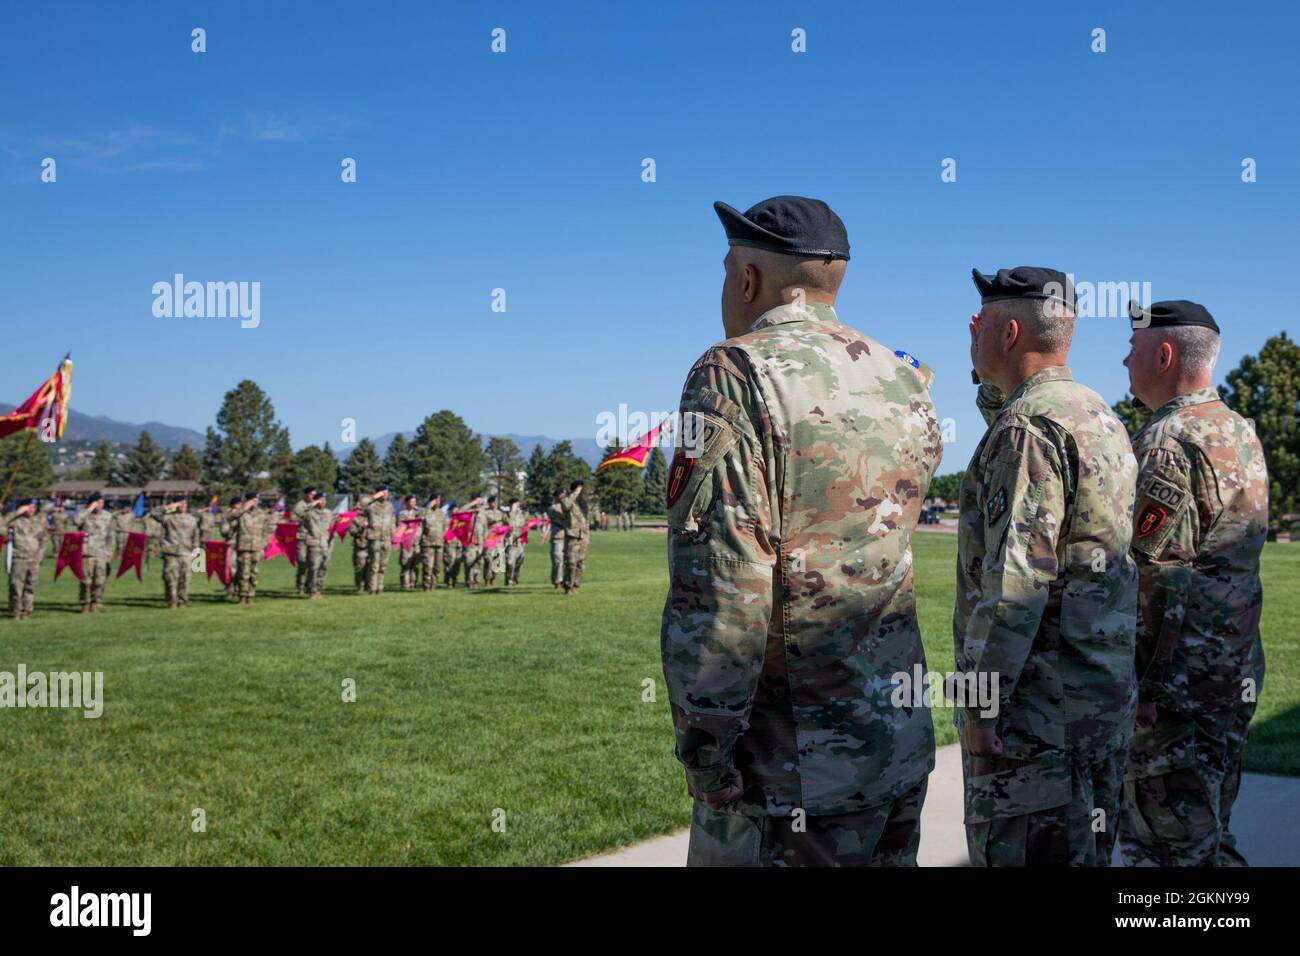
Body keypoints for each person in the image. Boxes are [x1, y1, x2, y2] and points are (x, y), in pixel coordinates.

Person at [663, 195, 942, 867]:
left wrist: (706, 749)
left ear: (748, 280)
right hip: (894, 741)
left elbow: (724, 588)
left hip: (788, 765)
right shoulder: (906, 376)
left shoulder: (733, 372)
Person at [956, 266, 1138, 867]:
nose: (971, 334)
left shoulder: (1030, 428)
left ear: (1009, 332)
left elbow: (1019, 579)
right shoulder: (1096, 413)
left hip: (1036, 716)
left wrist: (982, 702)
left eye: (981, 325)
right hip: (1097, 696)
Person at [1118, 301, 1269, 866]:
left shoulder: (1171, 441)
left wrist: (1143, 688)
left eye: (1133, 350)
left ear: (1164, 355)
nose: (1124, 361)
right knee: (1207, 831)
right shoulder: (1237, 429)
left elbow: (1156, 577)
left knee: (1163, 847)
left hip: (1178, 686)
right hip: (1230, 669)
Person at [1, 498, 47, 620]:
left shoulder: (38, 522)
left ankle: (26, 610)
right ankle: (16, 610)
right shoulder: (14, 521)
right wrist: (16, 513)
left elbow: (43, 539)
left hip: (33, 560)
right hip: (19, 559)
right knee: (16, 586)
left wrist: (40, 556)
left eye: (33, 507)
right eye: (29, 507)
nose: (32, 509)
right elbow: (1, 527)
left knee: (30, 586)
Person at [153, 499, 199, 608]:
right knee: (171, 579)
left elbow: (196, 537)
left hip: (186, 553)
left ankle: (182, 602)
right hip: (171, 553)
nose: (183, 505)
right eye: (181, 503)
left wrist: (195, 552)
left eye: (185, 503)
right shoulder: (168, 518)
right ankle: (172, 602)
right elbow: (154, 513)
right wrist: (169, 506)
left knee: (185, 580)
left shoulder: (192, 519)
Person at [74, 491, 114, 613]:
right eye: (99, 502)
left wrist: (110, 551)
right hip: (86, 553)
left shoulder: (107, 516)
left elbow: (110, 535)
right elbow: (76, 521)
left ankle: (96, 602)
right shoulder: (84, 515)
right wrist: (89, 509)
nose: (101, 505)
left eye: (102, 502)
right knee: (86, 581)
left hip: (101, 553)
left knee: (100, 580)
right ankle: (85, 603)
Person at [229, 492, 265, 605]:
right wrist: (243, 509)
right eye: (253, 500)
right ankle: (242, 596)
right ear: (248, 501)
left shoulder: (261, 513)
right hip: (244, 547)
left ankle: (250, 595)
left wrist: (264, 544)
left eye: (257, 500)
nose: (256, 502)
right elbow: (228, 518)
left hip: (257, 547)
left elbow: (269, 529)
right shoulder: (240, 512)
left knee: (254, 573)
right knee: (243, 573)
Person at [299, 492, 333, 599]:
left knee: (324, 567)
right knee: (313, 568)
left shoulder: (328, 513)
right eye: (321, 500)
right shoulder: (310, 513)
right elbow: (299, 514)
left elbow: (331, 526)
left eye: (324, 500)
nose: (324, 502)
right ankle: (312, 591)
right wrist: (313, 504)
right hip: (314, 543)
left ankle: (319, 588)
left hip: (325, 544)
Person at [361, 485, 395, 594]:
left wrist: (394, 536)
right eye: (383, 493)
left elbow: (392, 521)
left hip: (386, 538)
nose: (385, 495)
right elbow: (360, 506)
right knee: (374, 565)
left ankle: (380, 588)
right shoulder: (371, 505)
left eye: (387, 493)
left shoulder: (390, 506)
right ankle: (372, 588)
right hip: (374, 538)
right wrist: (373, 497)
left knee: (383, 565)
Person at [560, 481, 588, 594]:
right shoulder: (567, 501)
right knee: (571, 562)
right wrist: (574, 494)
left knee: (580, 562)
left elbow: (586, 520)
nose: (581, 490)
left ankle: (575, 585)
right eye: (579, 488)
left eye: (581, 488)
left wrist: (587, 536)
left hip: (583, 536)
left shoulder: (582, 503)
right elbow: (566, 506)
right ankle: (567, 585)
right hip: (572, 535)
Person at [291, 488, 317, 596]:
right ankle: (300, 586)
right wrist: (310, 506)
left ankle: (310, 586)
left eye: (315, 495)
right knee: (302, 562)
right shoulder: (300, 505)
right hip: (302, 537)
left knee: (313, 563)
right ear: (306, 495)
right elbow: (295, 517)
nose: (313, 497)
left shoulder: (316, 506)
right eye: (311, 494)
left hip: (313, 537)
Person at [418, 492, 447, 590]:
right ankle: (426, 586)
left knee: (437, 567)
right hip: (428, 543)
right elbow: (419, 518)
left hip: (439, 543)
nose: (438, 502)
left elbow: (445, 526)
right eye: (436, 500)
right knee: (428, 566)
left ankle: (433, 585)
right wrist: (428, 507)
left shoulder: (441, 513)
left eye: (439, 500)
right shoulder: (424, 511)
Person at [397, 493, 422, 591]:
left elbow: (425, 512)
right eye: (411, 501)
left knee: (415, 565)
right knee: (406, 564)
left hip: (417, 543)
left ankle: (413, 583)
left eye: (415, 501)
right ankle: (405, 584)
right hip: (407, 542)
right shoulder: (403, 513)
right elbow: (402, 526)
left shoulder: (418, 512)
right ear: (407, 502)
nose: (413, 503)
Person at [464, 493, 488, 589]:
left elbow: (485, 528)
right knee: (469, 562)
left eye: (480, 501)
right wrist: (472, 504)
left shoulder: (483, 513)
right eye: (477, 500)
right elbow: (459, 511)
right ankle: (469, 581)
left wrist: (485, 541)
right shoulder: (468, 512)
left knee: (478, 562)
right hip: (471, 542)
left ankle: (476, 581)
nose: (479, 503)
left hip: (480, 542)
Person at [504, 498, 527, 585]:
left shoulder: (521, 515)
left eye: (517, 504)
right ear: (510, 505)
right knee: (510, 562)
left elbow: (524, 527)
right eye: (515, 504)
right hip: (510, 542)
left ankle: (515, 578)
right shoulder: (506, 515)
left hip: (520, 542)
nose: (517, 505)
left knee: (519, 562)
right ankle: (509, 581)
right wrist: (512, 511)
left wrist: (525, 541)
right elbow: (510, 523)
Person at [349, 501, 370, 594]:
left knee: (370, 567)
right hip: (360, 545)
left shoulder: (372, 517)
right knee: (360, 567)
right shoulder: (354, 518)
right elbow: (352, 531)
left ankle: (369, 585)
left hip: (371, 545)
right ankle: (360, 586)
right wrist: (361, 527)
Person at [547, 488, 566, 589]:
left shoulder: (569, 506)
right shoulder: (553, 508)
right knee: (558, 560)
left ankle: (565, 580)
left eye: (564, 495)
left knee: (567, 560)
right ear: (556, 497)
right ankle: (557, 581)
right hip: (557, 537)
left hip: (568, 537)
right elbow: (564, 515)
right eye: (561, 495)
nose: (563, 496)